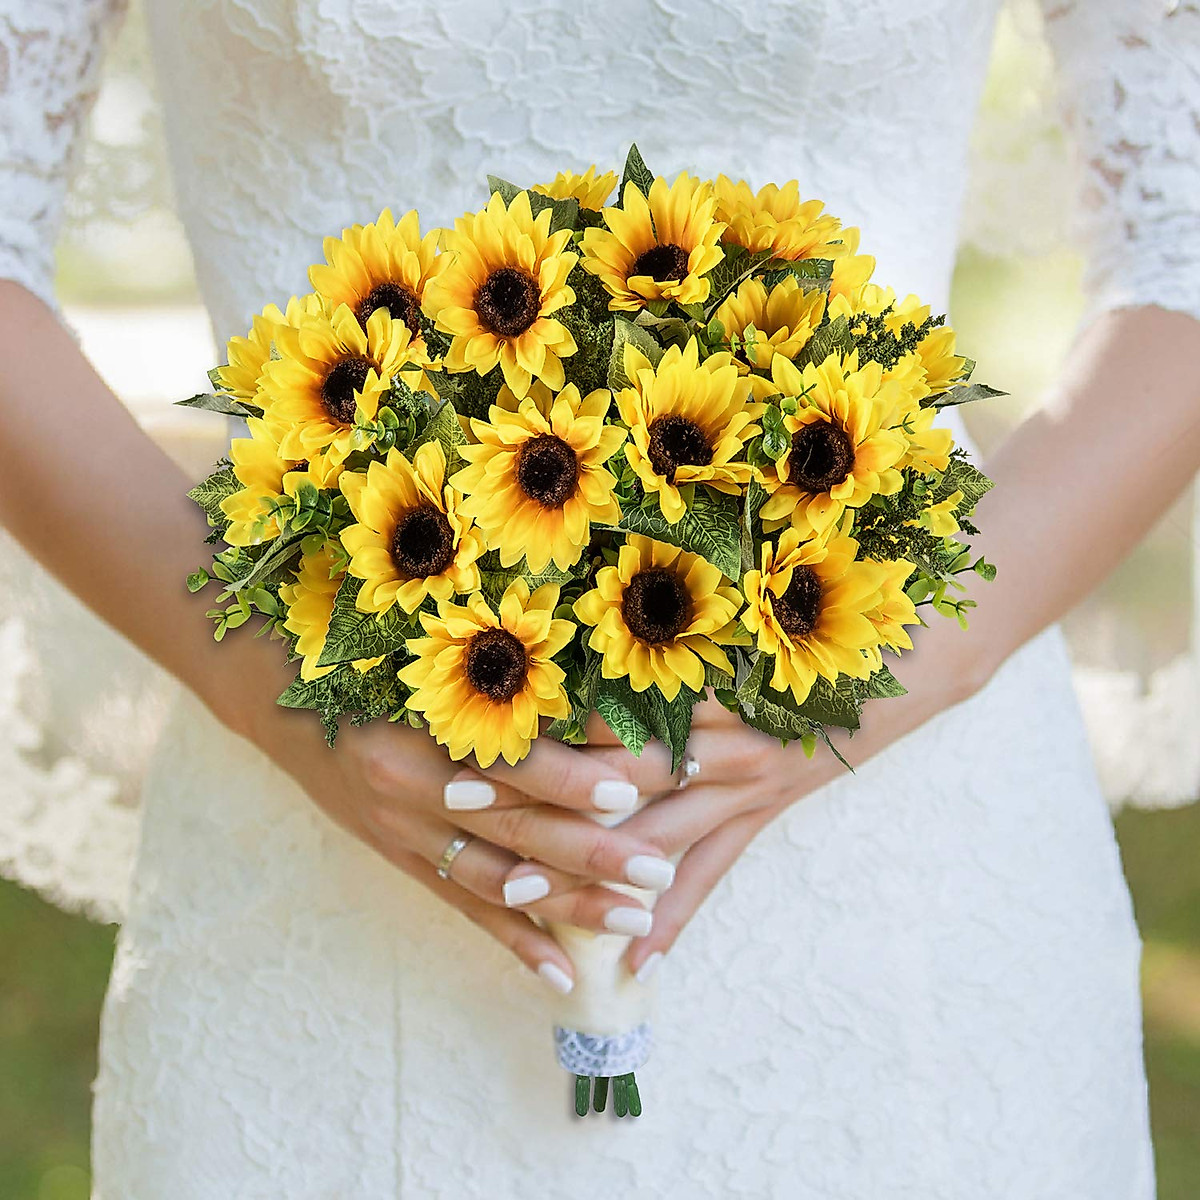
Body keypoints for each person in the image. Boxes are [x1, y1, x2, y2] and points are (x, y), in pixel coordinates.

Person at [1, 0, 1197, 1195]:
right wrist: (257, 678)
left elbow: (1180, 249)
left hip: (910, 854)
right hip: (322, 819)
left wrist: (903, 666)